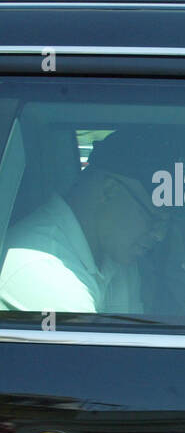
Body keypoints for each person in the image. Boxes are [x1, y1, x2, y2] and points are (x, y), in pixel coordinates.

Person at [0, 129, 173, 313]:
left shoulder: (116, 256)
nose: (160, 235)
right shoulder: (44, 272)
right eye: (153, 218)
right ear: (109, 191)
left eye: (166, 224)